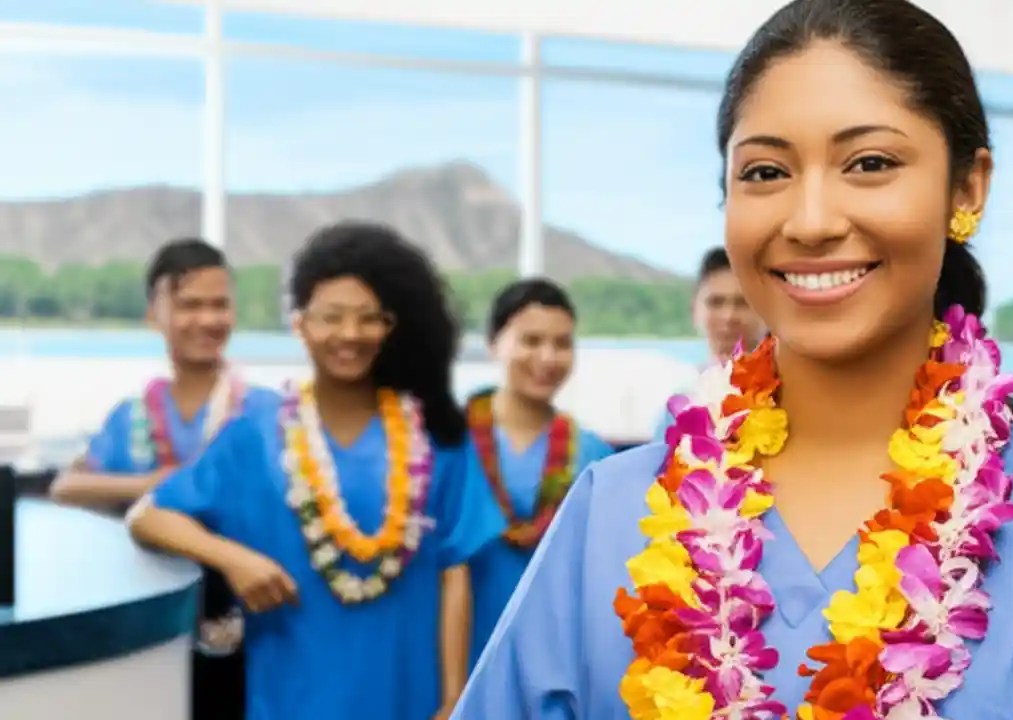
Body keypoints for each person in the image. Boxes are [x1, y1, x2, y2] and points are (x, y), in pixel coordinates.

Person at [453, 1, 1013, 718]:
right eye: (765, 172)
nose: (810, 219)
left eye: (870, 163)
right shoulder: (608, 518)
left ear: (967, 189)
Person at [129, 222, 503, 720]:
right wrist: (233, 558)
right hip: (289, 698)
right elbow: (149, 517)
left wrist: (455, 698)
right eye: (332, 317)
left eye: (369, 318)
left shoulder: (436, 435)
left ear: (391, 327)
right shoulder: (255, 434)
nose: (349, 335)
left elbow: (454, 572)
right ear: (300, 323)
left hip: (410, 698)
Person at [50, 238, 275, 720]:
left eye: (220, 304)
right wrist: (159, 483)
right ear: (155, 314)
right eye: (190, 304)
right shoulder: (130, 418)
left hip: (253, 634)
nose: (208, 319)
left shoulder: (264, 413)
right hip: (153, 641)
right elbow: (66, 487)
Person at [464, 278, 616, 668]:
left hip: (552, 656)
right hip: (458, 652)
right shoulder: (450, 442)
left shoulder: (592, 454)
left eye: (562, 344)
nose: (547, 357)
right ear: (494, 343)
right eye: (530, 341)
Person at [651, 248, 766, 440]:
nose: (729, 316)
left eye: (743, 302)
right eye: (716, 302)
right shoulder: (679, 404)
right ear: (693, 311)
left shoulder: (789, 396)